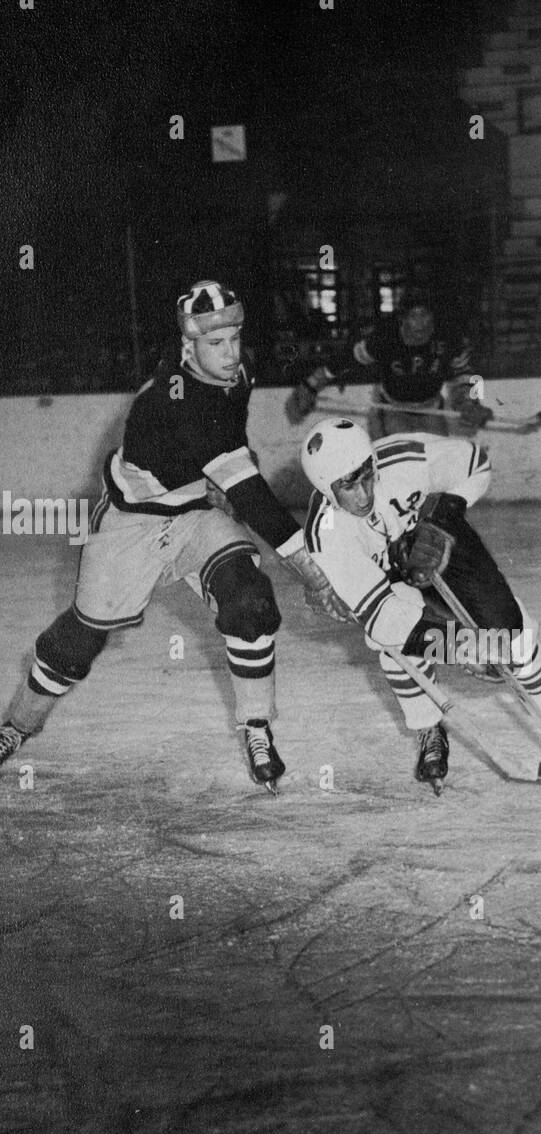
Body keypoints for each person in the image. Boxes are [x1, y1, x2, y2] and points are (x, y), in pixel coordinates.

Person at [0, 280, 347, 793]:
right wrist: (314, 575)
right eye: (216, 344)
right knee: (78, 642)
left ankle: (256, 726)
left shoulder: (238, 370)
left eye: (235, 339)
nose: (230, 354)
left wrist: (219, 476)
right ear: (188, 346)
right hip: (131, 525)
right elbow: (252, 496)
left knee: (248, 599)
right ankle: (17, 726)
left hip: (195, 515)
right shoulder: (172, 398)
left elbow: (232, 438)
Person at [295, 416, 541, 791]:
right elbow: (383, 618)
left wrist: (442, 515)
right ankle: (428, 727)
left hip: (442, 545)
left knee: (510, 634)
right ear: (327, 489)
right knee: (397, 646)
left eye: (366, 474)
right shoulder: (325, 534)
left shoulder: (405, 459)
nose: (363, 494)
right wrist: (457, 645)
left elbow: (476, 462)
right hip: (390, 590)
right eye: (347, 485)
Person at [286, 289, 493, 439]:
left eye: (426, 315)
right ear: (402, 319)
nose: (421, 324)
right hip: (391, 410)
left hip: (432, 409)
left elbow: (464, 374)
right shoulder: (384, 338)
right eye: (414, 316)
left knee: (435, 469)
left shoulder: (448, 337)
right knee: (397, 469)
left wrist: (470, 403)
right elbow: (347, 359)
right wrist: (311, 384)